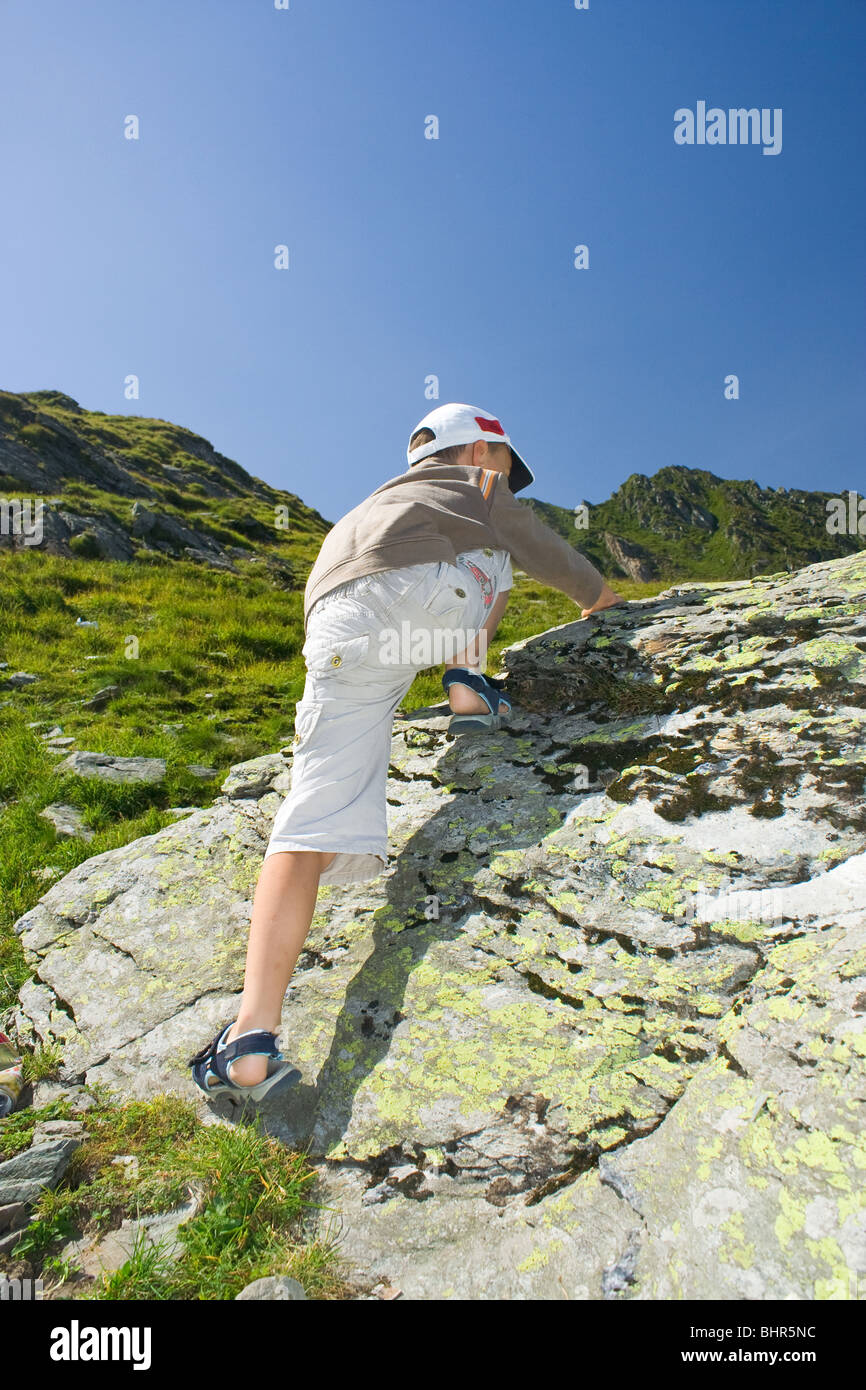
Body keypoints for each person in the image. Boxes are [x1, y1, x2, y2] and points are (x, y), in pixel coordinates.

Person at [189, 403, 624, 1100]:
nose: (508, 479)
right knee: (499, 560)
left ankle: (250, 1038)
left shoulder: (374, 505)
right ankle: (468, 686)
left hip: (337, 629)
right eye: (505, 464)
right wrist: (600, 598)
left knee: (308, 818)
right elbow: (534, 539)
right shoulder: (477, 488)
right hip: (429, 602)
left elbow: (351, 587)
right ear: (479, 451)